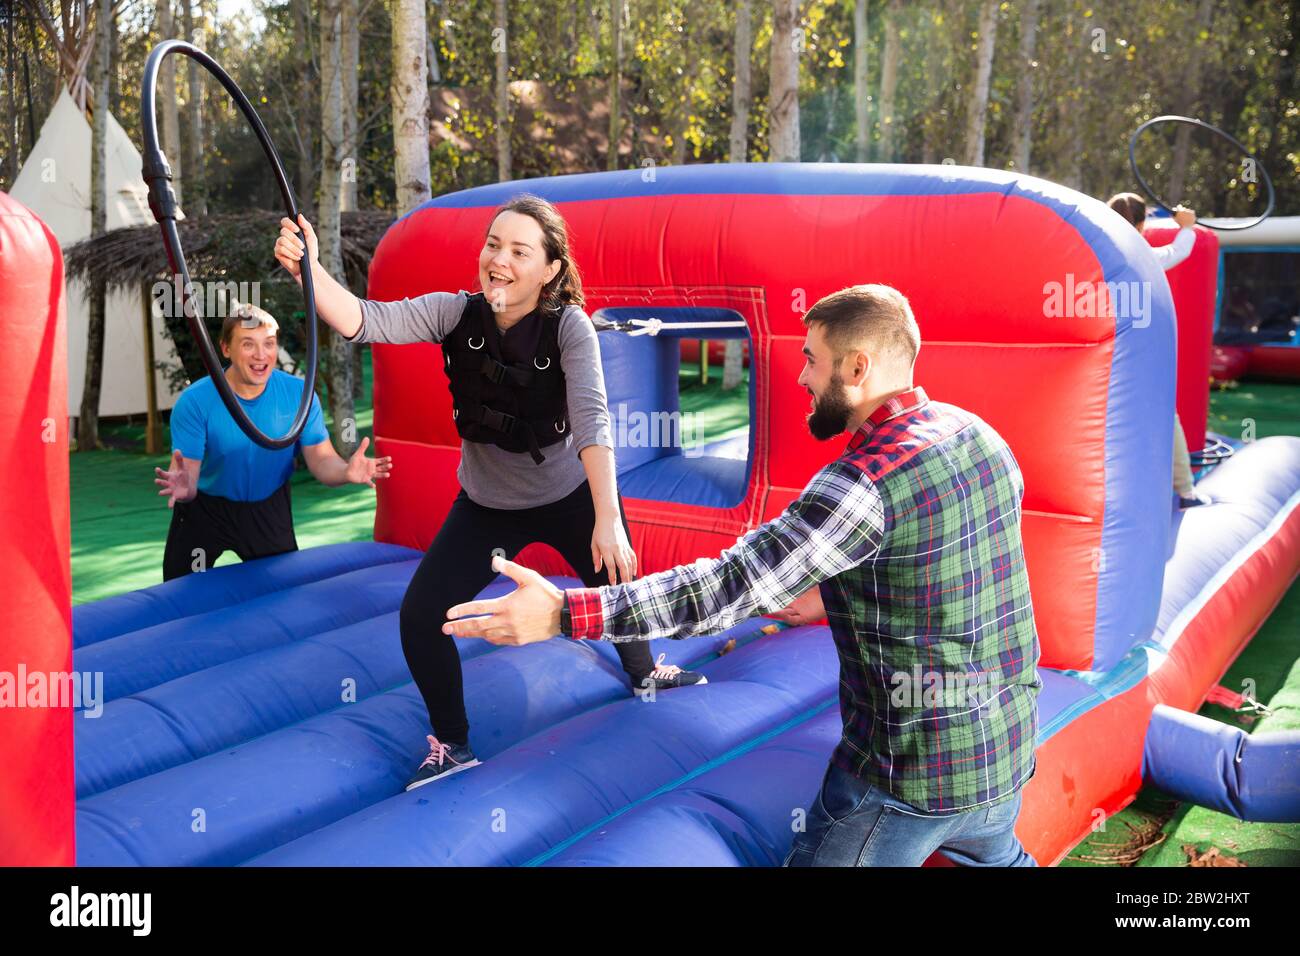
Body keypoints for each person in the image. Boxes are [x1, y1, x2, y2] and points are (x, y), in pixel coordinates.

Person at [443, 284, 1043, 867]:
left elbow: (721, 591)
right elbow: (946, 572)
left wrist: (564, 612)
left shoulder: (861, 485)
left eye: (812, 360)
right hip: (1006, 748)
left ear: (857, 367)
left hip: (908, 782)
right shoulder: (979, 434)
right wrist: (829, 598)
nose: (803, 377)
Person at [274, 194, 705, 792]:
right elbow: (362, 320)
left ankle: (644, 672)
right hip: (486, 504)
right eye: (492, 244)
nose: (499, 260)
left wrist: (607, 515)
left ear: (550, 268)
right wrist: (309, 271)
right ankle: (453, 744)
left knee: (619, 589)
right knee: (422, 616)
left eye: (519, 251)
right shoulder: (454, 312)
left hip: (570, 495)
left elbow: (593, 418)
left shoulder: (569, 326)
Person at [155, 302, 392, 580]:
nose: (261, 355)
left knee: (282, 593)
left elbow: (321, 459)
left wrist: (345, 472)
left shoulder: (298, 395)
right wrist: (186, 488)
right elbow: (187, 472)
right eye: (248, 344)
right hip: (206, 509)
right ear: (226, 349)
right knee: (179, 590)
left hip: (268, 507)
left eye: (269, 343)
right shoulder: (196, 401)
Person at [1106, 193, 1208, 509]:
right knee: (1166, 416)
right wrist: (1187, 226)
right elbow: (1180, 250)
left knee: (1110, 420)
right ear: (1141, 225)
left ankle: (1113, 493)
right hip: (1141, 356)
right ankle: (1186, 491)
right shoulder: (1144, 256)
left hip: (1108, 356)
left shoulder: (1098, 256)